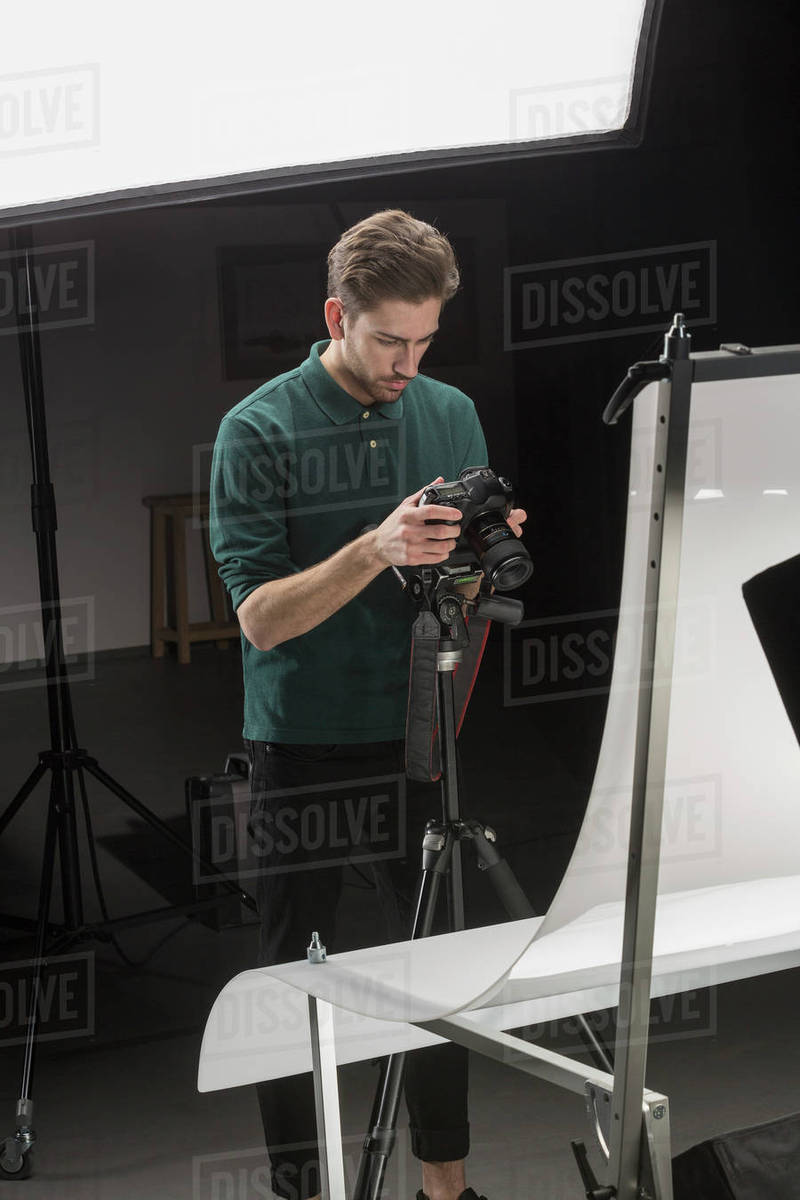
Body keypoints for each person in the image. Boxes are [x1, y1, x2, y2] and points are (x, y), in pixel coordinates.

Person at [209, 209, 527, 1200]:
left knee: (435, 969)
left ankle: (446, 1187)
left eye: (425, 338)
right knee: (288, 990)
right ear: (334, 316)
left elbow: (465, 589)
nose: (407, 361)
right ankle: (305, 1191)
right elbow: (260, 618)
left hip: (418, 733)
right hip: (299, 738)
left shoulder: (448, 412)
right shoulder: (256, 427)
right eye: (388, 338)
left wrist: (484, 554)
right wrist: (374, 547)